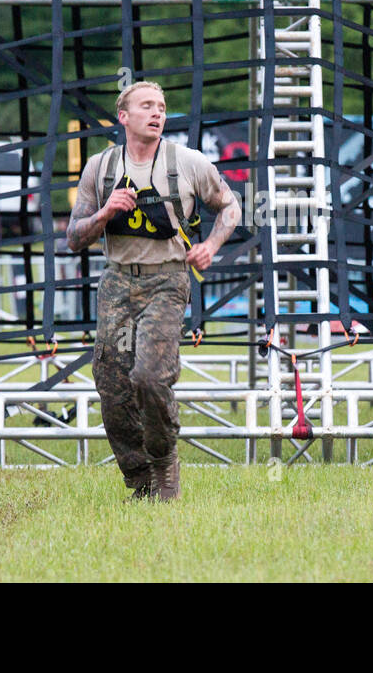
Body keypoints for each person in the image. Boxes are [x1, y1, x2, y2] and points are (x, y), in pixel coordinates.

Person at [67, 80, 241, 501]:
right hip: (117, 279)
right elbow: (74, 237)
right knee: (111, 384)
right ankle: (139, 478)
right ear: (123, 117)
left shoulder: (188, 162)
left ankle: (165, 466)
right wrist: (106, 213)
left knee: (149, 376)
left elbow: (231, 206)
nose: (157, 113)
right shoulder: (100, 167)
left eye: (162, 106)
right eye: (146, 106)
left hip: (167, 277)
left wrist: (211, 245)